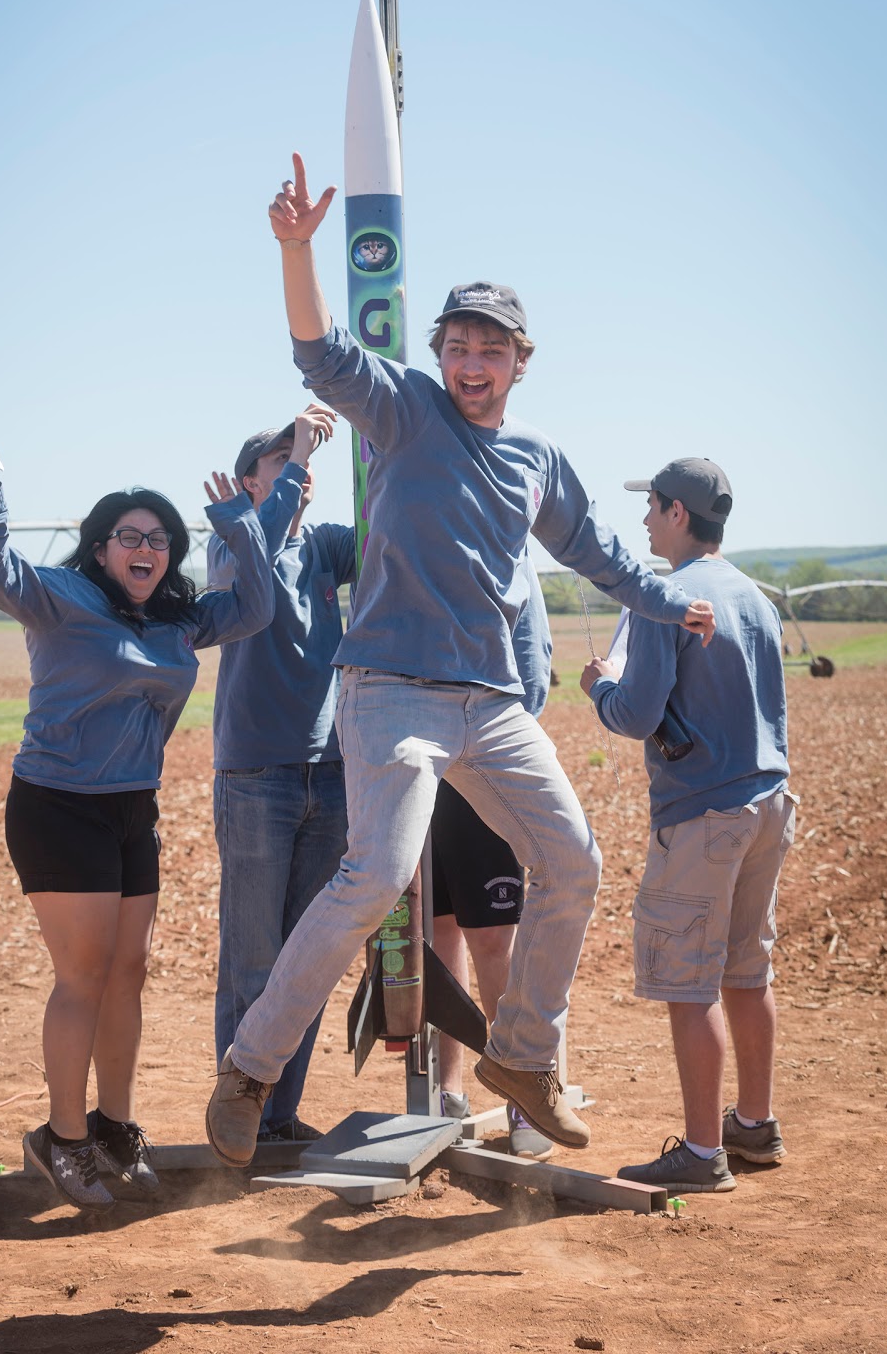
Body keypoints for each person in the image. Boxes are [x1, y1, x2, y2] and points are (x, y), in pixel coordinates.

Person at [204, 152, 717, 1170]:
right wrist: (299, 252)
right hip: (390, 688)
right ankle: (250, 1067)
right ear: (439, 353)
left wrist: (667, 599)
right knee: (375, 873)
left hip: (489, 700)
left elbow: (599, 552)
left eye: (492, 348)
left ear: (522, 360)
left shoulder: (537, 455)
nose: (472, 362)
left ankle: (523, 1057)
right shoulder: (402, 409)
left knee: (573, 859)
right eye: (458, 344)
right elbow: (321, 351)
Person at [0, 445, 274, 1209]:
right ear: (100, 547)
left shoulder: (181, 620)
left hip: (131, 807)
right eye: (129, 535)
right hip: (58, 803)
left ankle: (115, 1127)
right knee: (82, 976)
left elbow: (256, 607)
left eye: (158, 538)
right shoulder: (61, 598)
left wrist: (240, 523)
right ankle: (63, 1139)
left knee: (129, 973)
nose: (145, 548)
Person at [579, 458, 794, 1195]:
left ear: (678, 515)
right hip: (769, 803)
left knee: (688, 983)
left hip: (702, 812)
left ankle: (703, 1153)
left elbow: (636, 715)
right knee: (746, 968)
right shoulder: (756, 597)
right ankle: (755, 1127)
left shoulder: (661, 597)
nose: (644, 521)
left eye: (652, 507)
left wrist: (599, 689)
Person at [204, 403, 355, 1145]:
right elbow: (254, 575)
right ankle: (244, 1115)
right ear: (248, 483)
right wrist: (296, 458)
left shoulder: (325, 548)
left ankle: (281, 1115)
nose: (302, 468)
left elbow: (395, 532)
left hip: (330, 776)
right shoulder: (233, 539)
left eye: (305, 461)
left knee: (307, 957)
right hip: (256, 776)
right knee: (255, 957)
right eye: (283, 461)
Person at [432, 559, 555, 1160]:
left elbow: (531, 671)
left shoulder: (509, 563)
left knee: (495, 942)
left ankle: (527, 1096)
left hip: (482, 768)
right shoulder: (413, 542)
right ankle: (446, 1093)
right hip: (419, 768)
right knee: (436, 934)